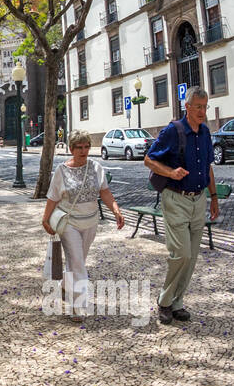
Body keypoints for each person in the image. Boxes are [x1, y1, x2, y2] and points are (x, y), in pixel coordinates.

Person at [144, 88, 218, 325]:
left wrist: (213, 197)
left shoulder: (205, 133)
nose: (202, 111)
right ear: (187, 107)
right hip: (175, 199)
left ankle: (177, 303)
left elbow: (208, 167)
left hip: (198, 200)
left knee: (192, 256)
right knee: (181, 253)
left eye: (205, 106)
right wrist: (170, 172)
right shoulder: (173, 131)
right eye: (198, 106)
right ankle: (164, 302)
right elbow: (149, 159)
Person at [42, 131, 124, 321]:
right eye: (79, 147)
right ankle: (77, 306)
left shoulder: (96, 167)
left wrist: (116, 210)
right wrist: (45, 220)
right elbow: (53, 198)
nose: (84, 150)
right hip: (69, 223)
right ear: (71, 149)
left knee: (77, 261)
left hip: (90, 221)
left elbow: (105, 192)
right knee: (77, 262)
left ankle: (65, 283)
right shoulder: (62, 171)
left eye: (86, 146)